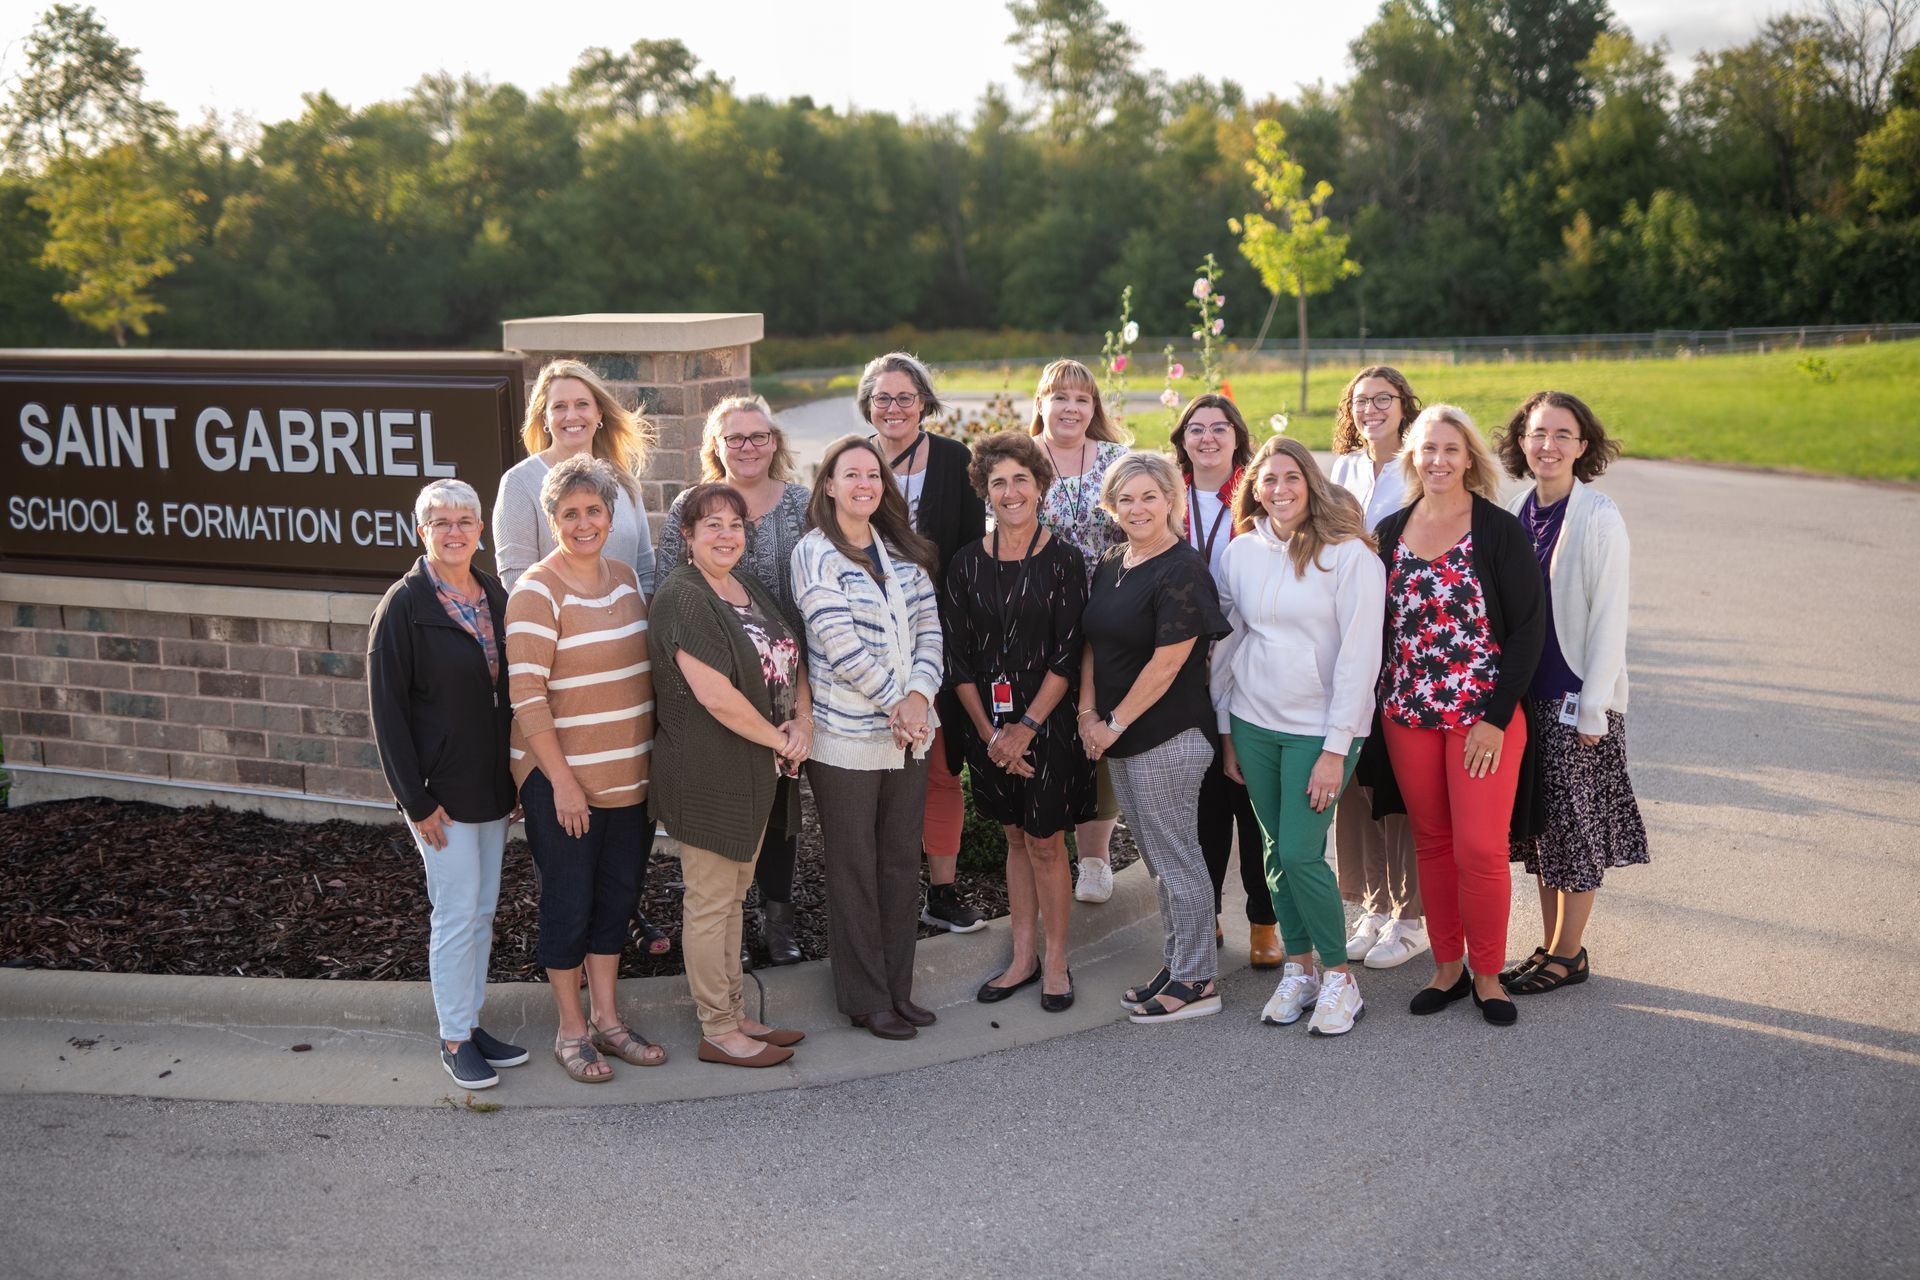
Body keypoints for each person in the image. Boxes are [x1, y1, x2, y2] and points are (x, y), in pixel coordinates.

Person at [1367, 405, 1544, 1028]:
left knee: (1480, 848)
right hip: (1407, 712)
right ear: (1412, 458)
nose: (1438, 460)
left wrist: (1497, 717)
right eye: (1427, 449)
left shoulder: (1497, 530)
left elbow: (1527, 630)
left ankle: (1489, 976)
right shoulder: (1389, 531)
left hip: (1482, 717)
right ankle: (1447, 967)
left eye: (1451, 449)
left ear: (1470, 457)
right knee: (1433, 844)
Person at [493, 358, 670, 957]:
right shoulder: (521, 484)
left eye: (581, 404)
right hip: (557, 684)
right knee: (570, 870)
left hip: (618, 690)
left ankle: (620, 927)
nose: (570, 415)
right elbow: (517, 580)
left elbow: (643, 569)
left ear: (599, 413)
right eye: (558, 406)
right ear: (543, 418)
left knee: (616, 856)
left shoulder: (619, 481)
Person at [1212, 439, 1385, 1037]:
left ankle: (1341, 978)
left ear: (1310, 483)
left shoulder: (1351, 556)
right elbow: (1227, 642)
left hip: (1320, 730)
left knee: (1299, 852)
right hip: (1255, 721)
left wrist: (1337, 749)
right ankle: (1300, 966)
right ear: (1253, 488)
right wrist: (1225, 727)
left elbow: (1360, 660)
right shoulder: (1241, 552)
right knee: (1270, 852)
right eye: (1268, 480)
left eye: (1292, 477)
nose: (1280, 489)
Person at [505, 455, 665, 1081]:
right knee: (568, 905)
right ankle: (571, 1031)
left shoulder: (627, 579)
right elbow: (527, 700)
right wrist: (564, 784)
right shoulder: (536, 593)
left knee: (616, 901)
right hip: (564, 786)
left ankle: (608, 1019)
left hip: (631, 779)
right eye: (568, 513)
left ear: (610, 514)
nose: (582, 523)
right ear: (551, 520)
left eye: (593, 510)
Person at [367, 479, 524, 1089]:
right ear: (421, 532)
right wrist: (416, 800)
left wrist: (513, 781)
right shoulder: (404, 607)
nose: (454, 531)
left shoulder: (496, 596)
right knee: (456, 913)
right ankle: (453, 1038)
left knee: (482, 911)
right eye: (441, 522)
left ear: (480, 531)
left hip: (491, 790)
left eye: (465, 521)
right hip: (439, 798)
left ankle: (471, 1020)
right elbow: (387, 714)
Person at [651, 483, 814, 1068]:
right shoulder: (684, 597)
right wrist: (782, 739)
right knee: (711, 900)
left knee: (734, 898)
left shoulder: (749, 589)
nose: (726, 535)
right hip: (708, 773)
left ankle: (737, 1012)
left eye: (734, 524)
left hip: (759, 769)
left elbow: (790, 654)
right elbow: (715, 696)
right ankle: (717, 1029)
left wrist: (803, 722)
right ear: (688, 538)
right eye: (711, 525)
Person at [792, 435, 946, 1040]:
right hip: (846, 742)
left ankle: (897, 990)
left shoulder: (902, 554)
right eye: (850, 474)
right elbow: (838, 644)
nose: (863, 484)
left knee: (901, 864)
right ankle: (864, 997)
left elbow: (931, 630)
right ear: (828, 485)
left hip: (909, 735)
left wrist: (919, 699)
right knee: (854, 867)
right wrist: (897, 702)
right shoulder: (814, 554)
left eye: (873, 475)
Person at [1495, 391, 1648, 994]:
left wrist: (1594, 708)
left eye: (1562, 435)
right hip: (1526, 701)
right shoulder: (1515, 508)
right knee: (1541, 828)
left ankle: (1569, 953)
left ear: (1582, 447)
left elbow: (1611, 616)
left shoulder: (1598, 515)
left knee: (1576, 829)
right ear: (1522, 442)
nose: (1548, 446)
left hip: (1575, 702)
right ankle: (1550, 945)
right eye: (1538, 434)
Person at [658, 396, 813, 966]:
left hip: (786, 672)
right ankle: (734, 925)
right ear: (715, 446)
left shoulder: (800, 503)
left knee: (780, 806)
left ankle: (778, 919)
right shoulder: (692, 505)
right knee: (727, 815)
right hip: (718, 681)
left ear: (774, 441)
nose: (747, 447)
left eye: (758, 435)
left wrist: (804, 706)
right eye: (734, 438)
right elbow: (668, 590)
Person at [1079, 452, 1230, 1024]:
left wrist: (1111, 723)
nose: (1137, 508)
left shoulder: (1183, 569)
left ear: (1171, 499)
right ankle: (1179, 962)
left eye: (1148, 496)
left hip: (1168, 736)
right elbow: (1093, 640)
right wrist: (1087, 713)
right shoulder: (1113, 560)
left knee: (1177, 858)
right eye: (1125, 499)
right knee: (1158, 860)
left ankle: (1198, 980)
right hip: (1118, 734)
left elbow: (1168, 664)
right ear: (1111, 507)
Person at [946, 433, 1093, 1012]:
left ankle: (1057, 960)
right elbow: (956, 660)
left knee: (1047, 842)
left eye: (1021, 481)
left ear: (1039, 487)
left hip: (1048, 724)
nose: (1010, 492)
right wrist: (990, 735)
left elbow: (1069, 652)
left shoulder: (1064, 560)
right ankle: (1022, 957)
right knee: (1012, 836)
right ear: (986, 490)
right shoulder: (964, 563)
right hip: (987, 724)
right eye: (998, 482)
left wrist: (1025, 729)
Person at [857, 352, 986, 934]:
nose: (894, 408)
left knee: (938, 765)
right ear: (868, 405)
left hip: (937, 637)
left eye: (905, 397)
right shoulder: (853, 462)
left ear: (924, 402)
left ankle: (942, 889)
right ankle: (885, 893)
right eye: (882, 398)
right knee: (875, 768)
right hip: (866, 642)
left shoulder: (957, 461)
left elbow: (968, 553)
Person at [1327, 366, 1429, 970]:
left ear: (1402, 405)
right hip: (1345, 637)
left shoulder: (1420, 466)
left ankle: (1410, 914)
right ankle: (1371, 903)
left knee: (1397, 780)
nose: (1371, 409)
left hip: (1403, 643)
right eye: (1361, 401)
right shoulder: (1341, 467)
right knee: (1354, 778)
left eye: (1382, 399)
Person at [1171, 393, 1275, 966]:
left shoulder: (1261, 497)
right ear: (1182, 440)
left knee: (1249, 794)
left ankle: (1264, 921)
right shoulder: (1166, 497)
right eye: (1196, 429)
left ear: (1237, 437)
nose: (1207, 438)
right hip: (1181, 667)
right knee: (1201, 800)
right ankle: (1206, 912)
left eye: (1219, 428)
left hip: (1248, 661)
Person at [1027, 358, 1132, 905]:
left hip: (1108, 617)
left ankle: (1094, 858)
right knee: (1049, 731)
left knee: (1099, 736)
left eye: (1082, 399)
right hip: (1039, 620)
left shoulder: (1117, 461)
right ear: (1040, 402)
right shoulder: (1022, 461)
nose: (1071, 408)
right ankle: (1047, 848)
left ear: (1094, 409)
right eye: (1060, 397)